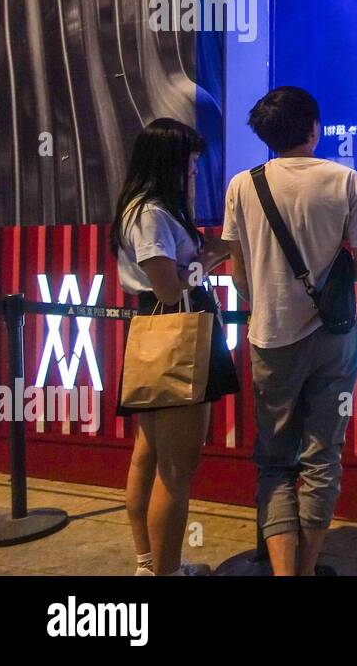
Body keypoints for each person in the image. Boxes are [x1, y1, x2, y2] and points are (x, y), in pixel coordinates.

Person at [222, 87, 357, 576]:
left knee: (274, 460)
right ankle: (308, 568)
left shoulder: (242, 186)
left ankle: (283, 571)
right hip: (335, 339)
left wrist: (271, 298)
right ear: (314, 128)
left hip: (270, 338)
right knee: (322, 457)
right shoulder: (345, 180)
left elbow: (238, 274)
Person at [111, 119, 239, 576]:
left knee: (148, 453)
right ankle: (164, 571)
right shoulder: (152, 214)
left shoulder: (142, 208)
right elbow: (168, 287)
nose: (194, 172)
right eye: (189, 163)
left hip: (155, 333)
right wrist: (211, 257)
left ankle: (150, 563)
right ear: (169, 163)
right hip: (177, 334)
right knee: (176, 468)